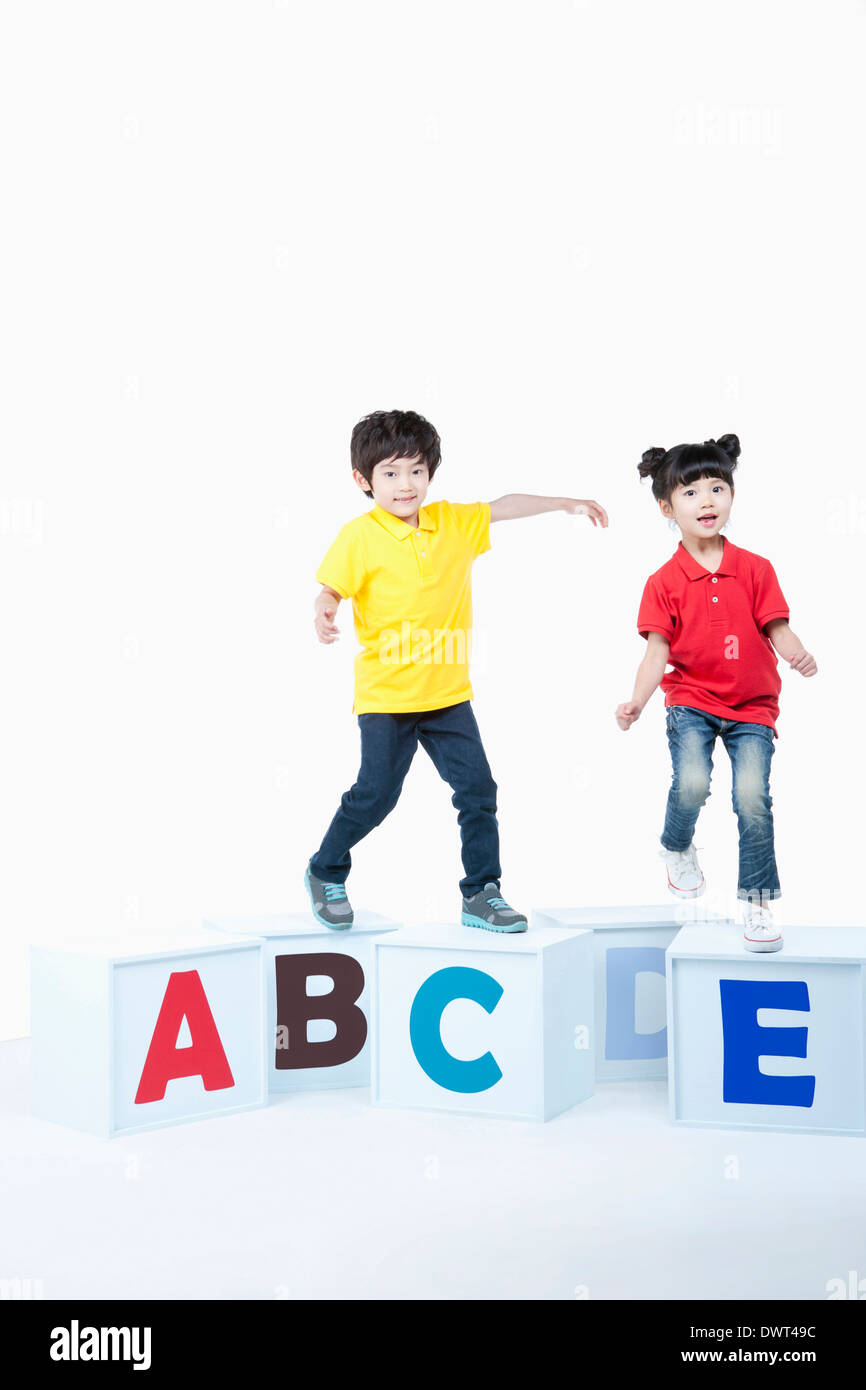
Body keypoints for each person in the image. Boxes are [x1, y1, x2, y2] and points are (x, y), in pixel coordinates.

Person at [306, 408, 608, 932]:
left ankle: (480, 893)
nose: (406, 484)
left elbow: (502, 505)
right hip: (388, 698)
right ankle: (325, 868)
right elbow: (331, 586)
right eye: (391, 473)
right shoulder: (359, 536)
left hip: (447, 696)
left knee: (478, 791)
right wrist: (325, 607)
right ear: (364, 479)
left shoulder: (451, 522)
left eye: (417, 471)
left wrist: (564, 503)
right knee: (375, 795)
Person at [615, 434, 817, 953]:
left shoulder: (755, 568)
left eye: (717, 488)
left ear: (730, 495)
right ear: (666, 506)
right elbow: (656, 654)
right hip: (692, 701)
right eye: (690, 493)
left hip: (753, 707)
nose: (706, 501)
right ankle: (676, 845)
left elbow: (778, 628)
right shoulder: (663, 581)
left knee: (752, 799)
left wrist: (796, 652)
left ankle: (757, 904)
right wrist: (637, 701)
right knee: (693, 783)